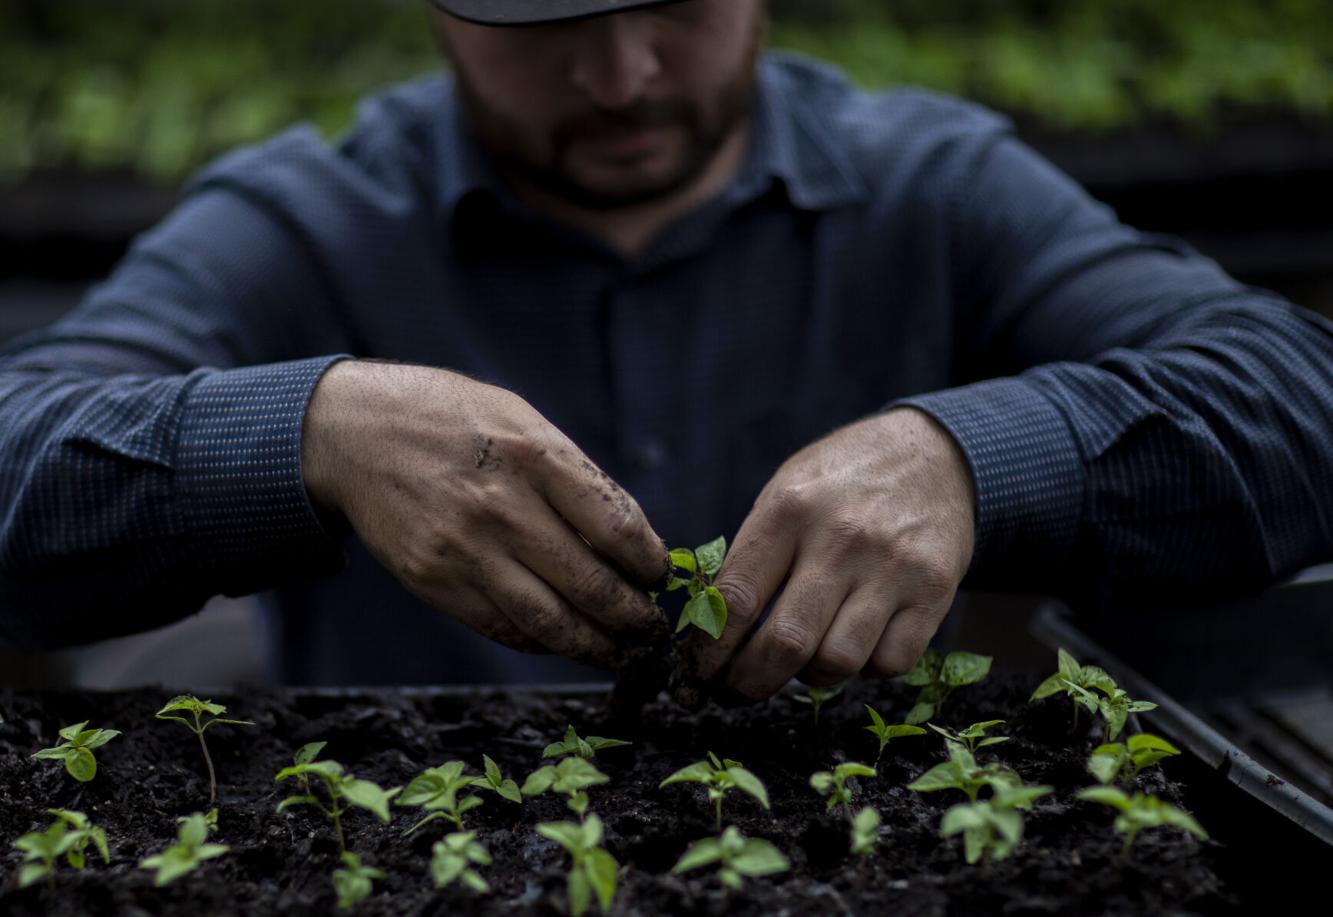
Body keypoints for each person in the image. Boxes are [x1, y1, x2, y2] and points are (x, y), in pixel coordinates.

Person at [2, 0, 1331, 698]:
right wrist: (305, 431)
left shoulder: (932, 186)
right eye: (547, 24)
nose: (624, 74)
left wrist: (969, 455)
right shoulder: (305, 220)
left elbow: (1294, 391)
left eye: (674, 4)